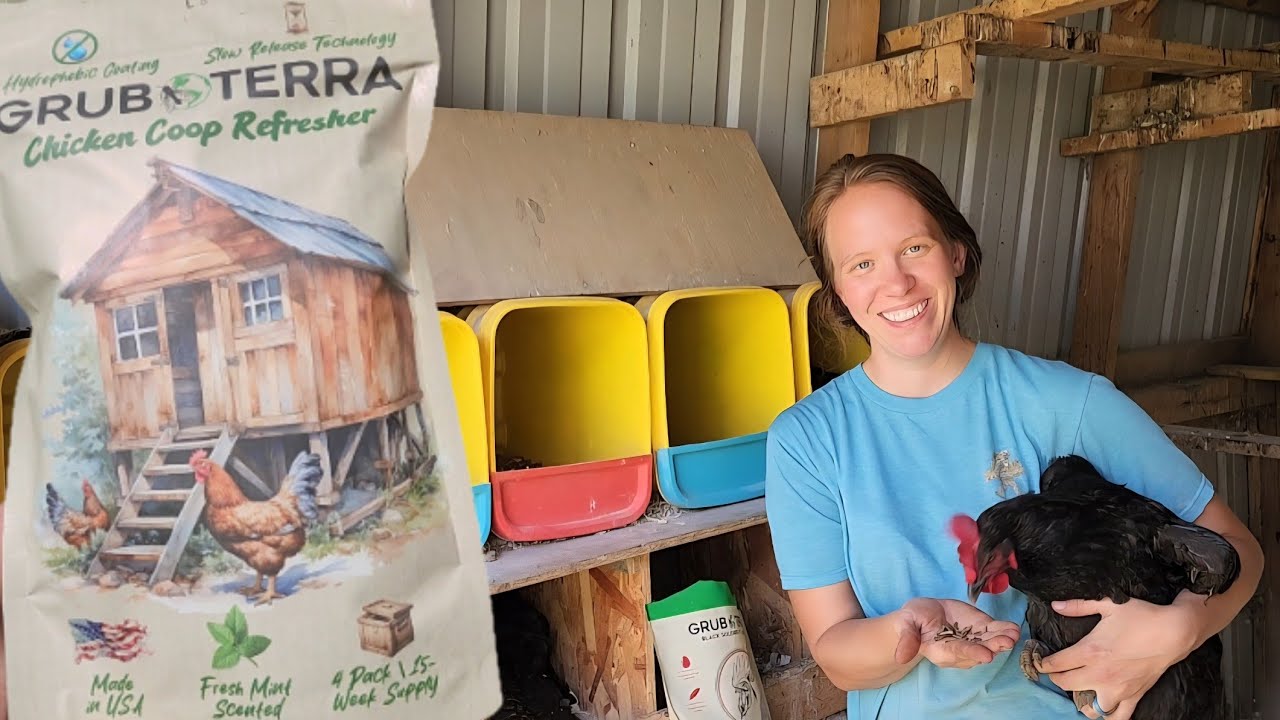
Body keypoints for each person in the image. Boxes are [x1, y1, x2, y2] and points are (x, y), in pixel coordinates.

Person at [764, 153, 1263, 720]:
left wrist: (1181, 628)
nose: (896, 283)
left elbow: (1237, 550)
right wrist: (911, 629)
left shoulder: (1067, 403)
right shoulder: (807, 441)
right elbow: (836, 653)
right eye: (861, 265)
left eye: (914, 248)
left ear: (956, 252)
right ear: (836, 290)